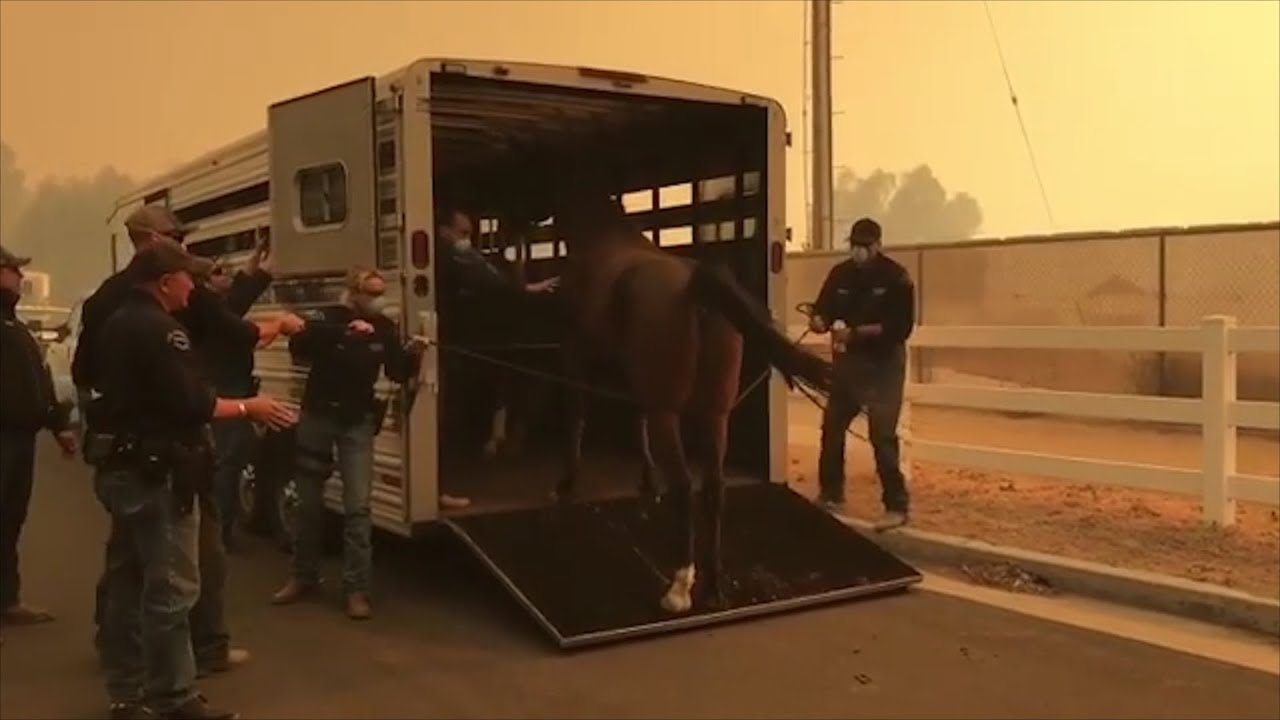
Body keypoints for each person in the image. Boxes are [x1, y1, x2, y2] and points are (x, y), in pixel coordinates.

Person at [80, 206, 303, 678]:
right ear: (153, 244)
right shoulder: (161, 321)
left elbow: (85, 373)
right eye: (178, 239)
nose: (187, 250)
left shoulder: (105, 301)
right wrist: (276, 333)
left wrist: (251, 278)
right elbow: (231, 332)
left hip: (123, 451)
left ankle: (121, 660)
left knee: (126, 561)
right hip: (166, 451)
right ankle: (184, 670)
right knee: (187, 569)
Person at [271, 267, 425, 620]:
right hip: (318, 418)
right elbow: (300, 345)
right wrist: (345, 332)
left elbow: (398, 372)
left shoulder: (385, 328)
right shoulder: (329, 316)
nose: (377, 298)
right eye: (371, 292)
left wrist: (413, 352)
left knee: (358, 507)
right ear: (353, 293)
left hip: (357, 422)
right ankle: (303, 576)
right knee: (308, 503)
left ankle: (357, 589)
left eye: (380, 291)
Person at [434, 207, 559, 508]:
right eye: (463, 233)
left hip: (462, 335)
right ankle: (436, 482)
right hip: (451, 336)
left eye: (471, 234)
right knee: (441, 408)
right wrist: (526, 288)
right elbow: (486, 276)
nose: (468, 240)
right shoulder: (455, 257)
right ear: (444, 231)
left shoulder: (460, 256)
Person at [807, 217, 916, 531]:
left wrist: (854, 334)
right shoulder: (839, 274)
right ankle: (830, 493)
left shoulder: (897, 278)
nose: (859, 252)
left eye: (865, 246)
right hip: (848, 367)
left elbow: (900, 329)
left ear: (878, 245)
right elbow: (822, 309)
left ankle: (897, 505)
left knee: (882, 436)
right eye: (855, 245)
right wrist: (818, 320)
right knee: (831, 427)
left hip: (883, 367)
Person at [0, 246, 78, 646]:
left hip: (19, 439)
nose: (19, 279)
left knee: (10, 522)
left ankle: (8, 601)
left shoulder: (14, 325)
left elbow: (39, 378)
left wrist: (58, 423)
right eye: (13, 270)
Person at [202, 242, 274, 550]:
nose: (225, 275)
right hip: (225, 393)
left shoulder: (214, 307)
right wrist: (261, 274)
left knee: (230, 462)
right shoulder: (209, 311)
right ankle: (220, 532)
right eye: (218, 272)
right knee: (226, 465)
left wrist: (251, 269)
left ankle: (219, 529)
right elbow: (235, 306)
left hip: (233, 390)